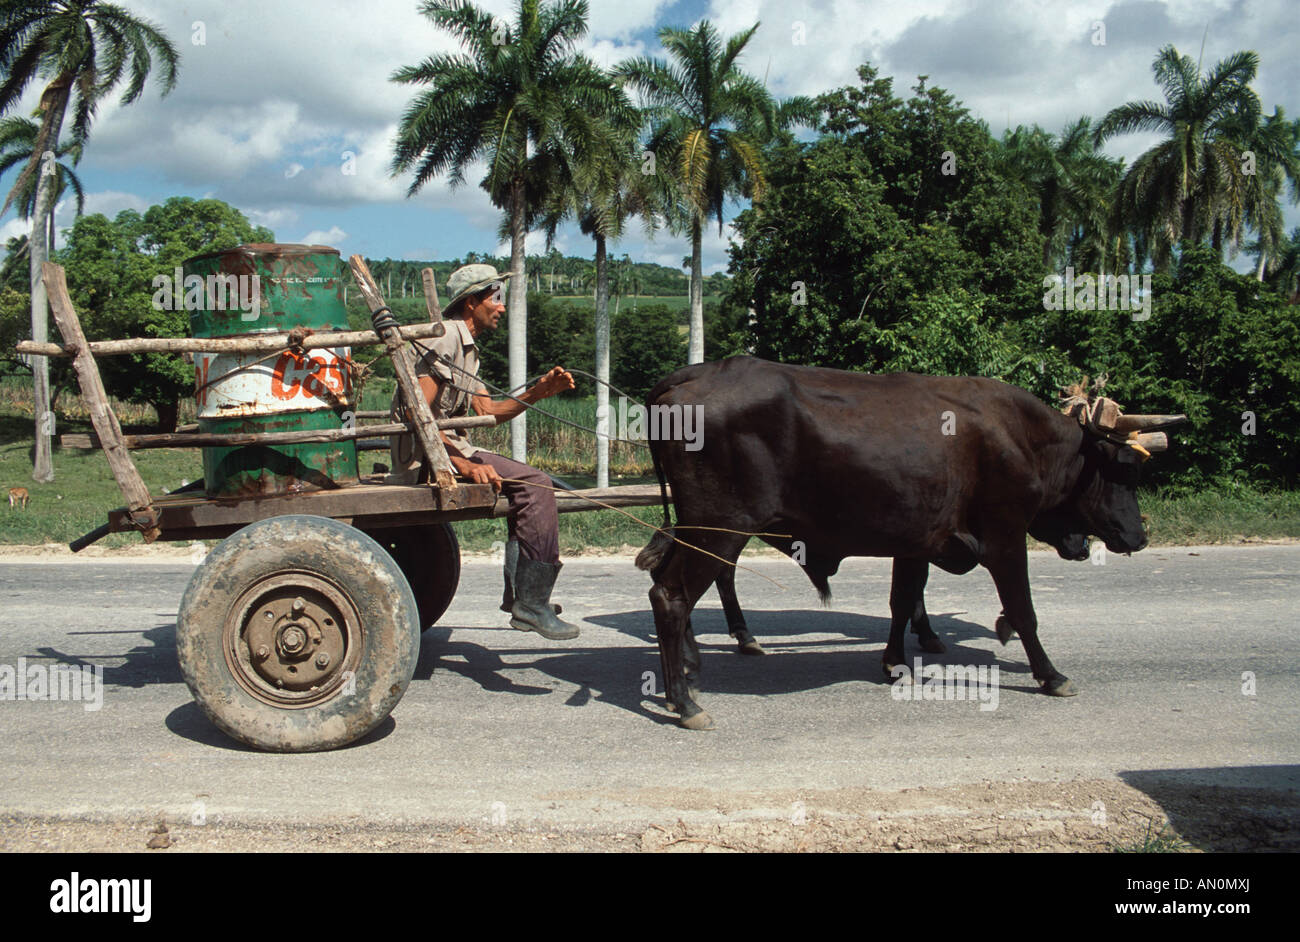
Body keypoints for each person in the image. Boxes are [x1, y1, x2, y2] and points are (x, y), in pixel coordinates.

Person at [389, 264, 579, 640]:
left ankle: (521, 598)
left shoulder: (467, 347)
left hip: (447, 449)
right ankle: (531, 603)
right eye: (496, 299)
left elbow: (488, 413)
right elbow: (416, 412)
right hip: (425, 457)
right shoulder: (444, 339)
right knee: (537, 485)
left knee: (539, 483)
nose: (502, 308)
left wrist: (538, 392)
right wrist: (460, 463)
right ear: (472, 302)